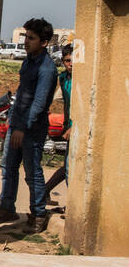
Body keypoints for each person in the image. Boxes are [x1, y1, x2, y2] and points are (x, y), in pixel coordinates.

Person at [0, 17, 57, 233]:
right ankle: (7, 208)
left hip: (31, 129)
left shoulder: (46, 69)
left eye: (31, 38)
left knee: (32, 172)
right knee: (7, 167)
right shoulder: (28, 61)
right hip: (17, 124)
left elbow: (39, 102)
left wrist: (22, 127)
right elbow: (23, 93)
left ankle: (38, 215)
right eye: (26, 36)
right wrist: (12, 117)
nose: (26, 41)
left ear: (44, 42)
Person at [45, 44, 74, 206]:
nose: (70, 64)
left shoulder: (82, 79)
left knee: (70, 166)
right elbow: (65, 103)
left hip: (78, 127)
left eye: (73, 60)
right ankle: (45, 191)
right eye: (67, 61)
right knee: (69, 165)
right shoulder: (63, 79)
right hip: (69, 125)